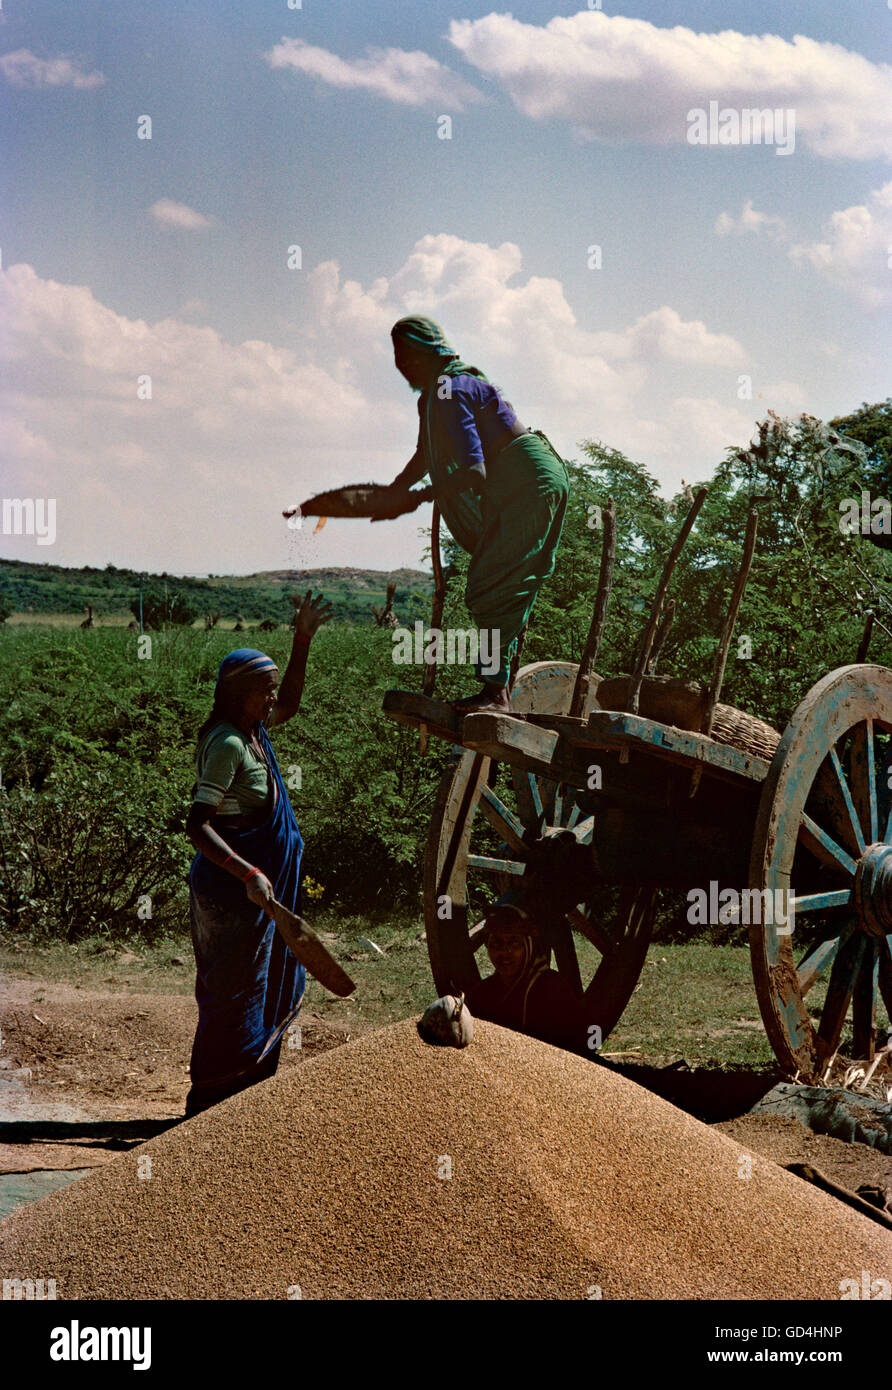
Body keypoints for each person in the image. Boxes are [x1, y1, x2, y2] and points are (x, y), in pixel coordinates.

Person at [372, 315, 569, 713]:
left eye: (407, 354)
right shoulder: (433, 396)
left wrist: (421, 496)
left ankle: (495, 694)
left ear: (430, 352)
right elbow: (427, 455)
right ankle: (498, 689)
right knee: (498, 585)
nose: (400, 365)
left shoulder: (450, 390)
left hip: (528, 480)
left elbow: (472, 471)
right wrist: (395, 490)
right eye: (396, 355)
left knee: (490, 587)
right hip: (521, 481)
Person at [183, 592, 332, 1116]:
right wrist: (247, 870)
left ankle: (243, 1105)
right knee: (233, 995)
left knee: (254, 986)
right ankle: (213, 1106)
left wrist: (303, 640)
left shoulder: (253, 734)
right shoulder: (227, 744)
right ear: (238, 695)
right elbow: (197, 826)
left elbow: (289, 703)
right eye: (262, 692)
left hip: (254, 896)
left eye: (270, 691)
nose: (272, 700)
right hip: (230, 895)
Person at [467, 904, 588, 1054]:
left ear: (528, 946)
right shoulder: (482, 994)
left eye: (514, 942)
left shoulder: (553, 990)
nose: (505, 952)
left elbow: (574, 1046)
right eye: (497, 943)